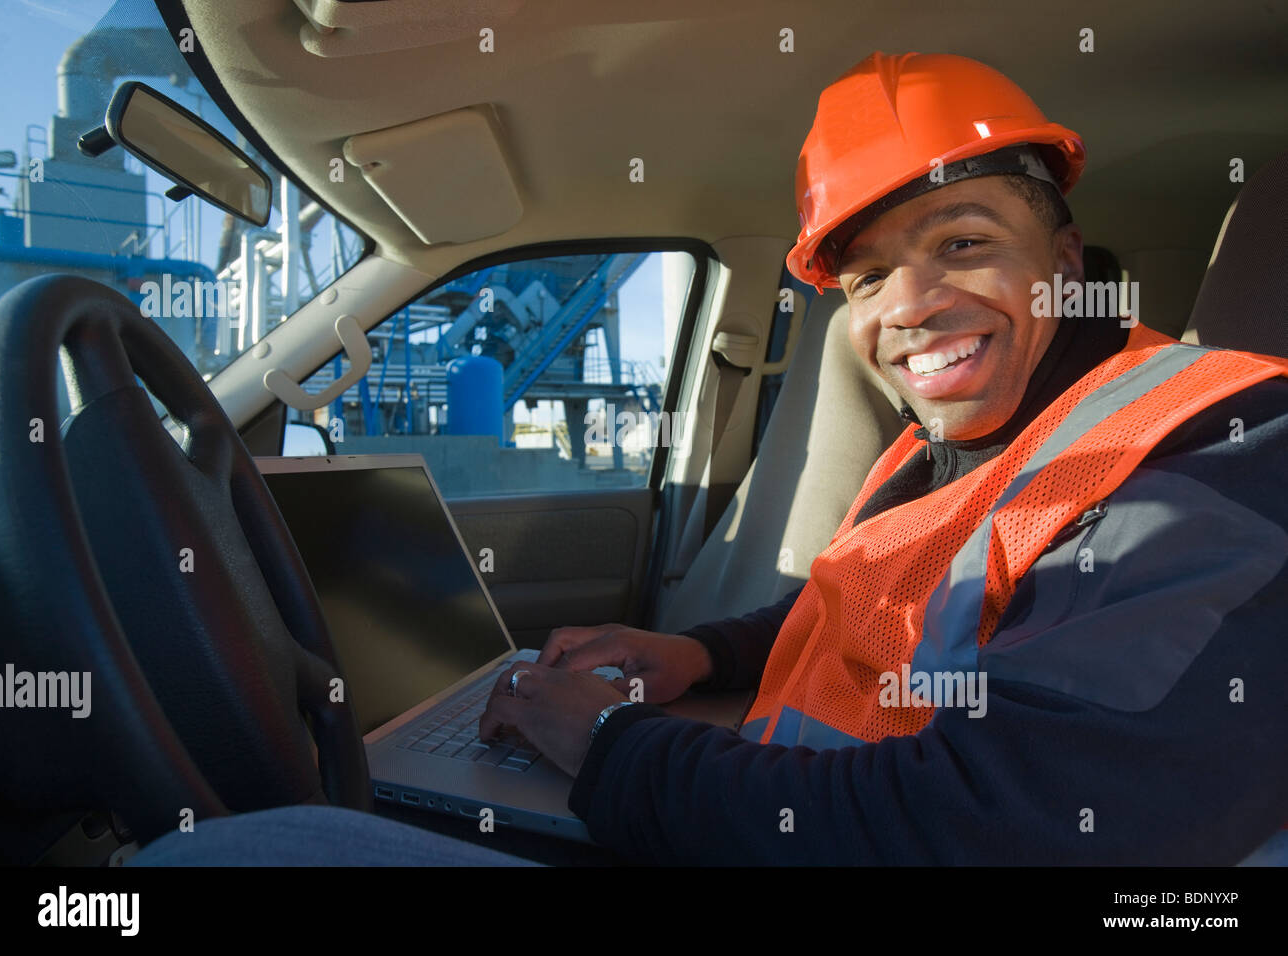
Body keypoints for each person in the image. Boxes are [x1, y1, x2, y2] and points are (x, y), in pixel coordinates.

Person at [135, 50, 1288, 867]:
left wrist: (606, 744)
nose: (913, 305)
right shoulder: (959, 445)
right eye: (868, 277)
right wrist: (693, 652)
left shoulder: (1220, 448)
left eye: (964, 244)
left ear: (1064, 258)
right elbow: (882, 611)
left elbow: (1008, 827)